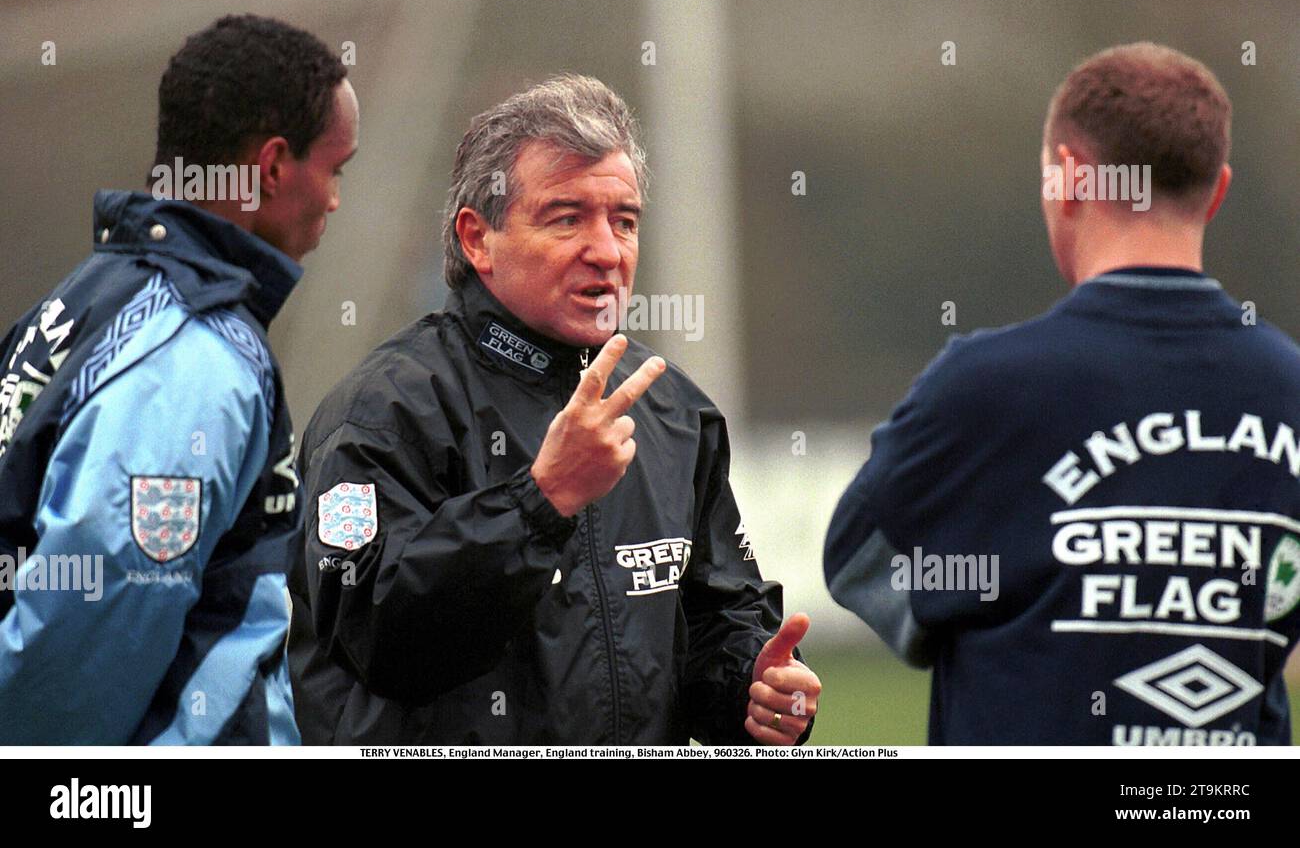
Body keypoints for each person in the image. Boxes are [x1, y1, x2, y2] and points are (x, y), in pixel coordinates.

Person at [289, 74, 819, 745]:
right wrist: (540, 502)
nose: (607, 249)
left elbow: (719, 620)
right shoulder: (380, 413)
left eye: (624, 219)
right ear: (478, 239)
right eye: (567, 217)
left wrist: (755, 686)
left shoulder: (675, 411)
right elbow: (377, 638)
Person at [824, 43, 1300, 745]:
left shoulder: (982, 389)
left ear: (1070, 176)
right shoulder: (1289, 389)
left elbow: (864, 563)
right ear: (1219, 190)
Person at [0, 14, 359, 743]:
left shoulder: (84, 298)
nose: (335, 199)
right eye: (336, 168)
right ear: (273, 165)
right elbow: (87, 630)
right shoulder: (191, 356)